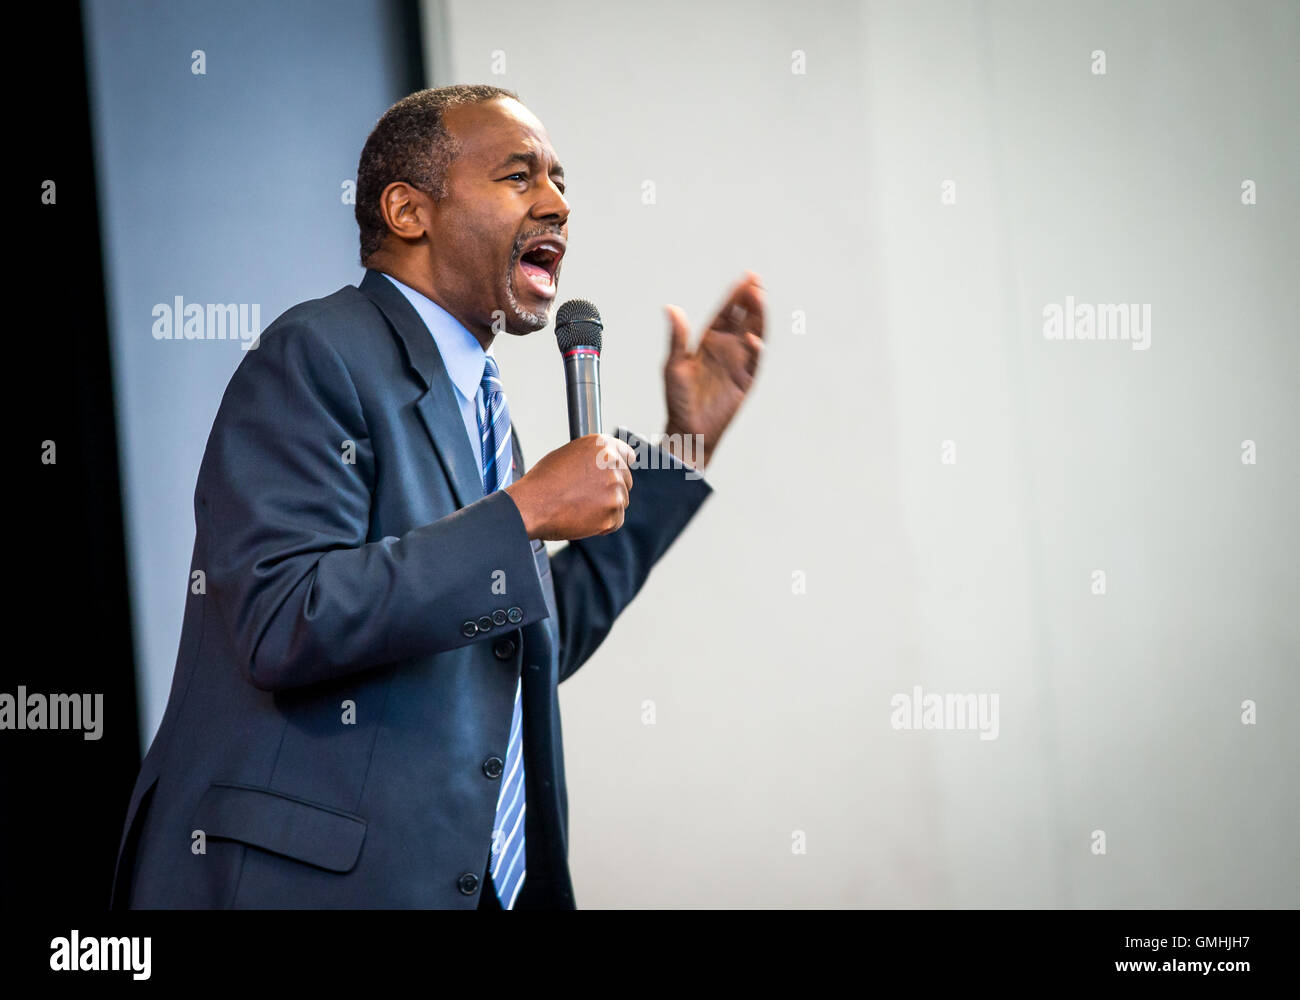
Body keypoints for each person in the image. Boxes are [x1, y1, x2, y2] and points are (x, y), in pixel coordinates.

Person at [110, 84, 764, 909]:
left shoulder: (478, 411)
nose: (557, 203)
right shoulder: (315, 354)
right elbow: (283, 617)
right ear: (408, 210)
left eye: (561, 181)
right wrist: (523, 511)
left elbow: (523, 640)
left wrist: (684, 447)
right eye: (520, 177)